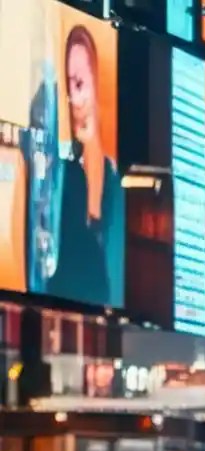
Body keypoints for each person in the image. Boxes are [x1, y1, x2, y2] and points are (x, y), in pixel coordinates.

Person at [42, 26, 122, 306]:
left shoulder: (115, 180)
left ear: (95, 83)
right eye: (69, 87)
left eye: (80, 85)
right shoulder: (64, 175)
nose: (75, 101)